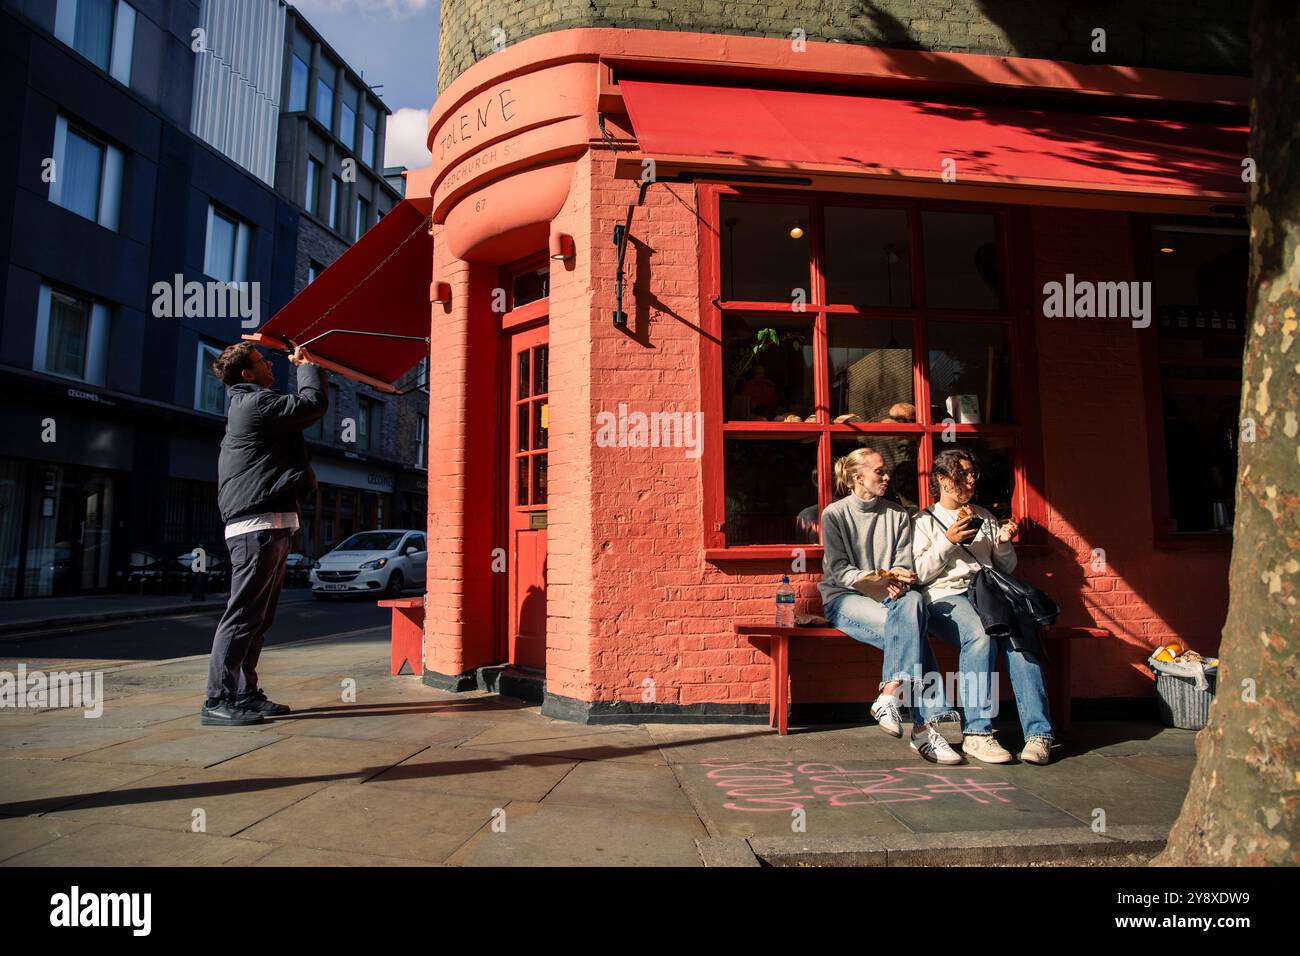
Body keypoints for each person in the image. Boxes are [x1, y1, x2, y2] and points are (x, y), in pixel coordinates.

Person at [201, 343, 329, 726]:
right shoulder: (254, 405)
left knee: (258, 619)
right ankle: (216, 700)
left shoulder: (255, 403)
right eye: (261, 362)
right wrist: (308, 366)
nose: (269, 364)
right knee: (242, 616)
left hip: (270, 523)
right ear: (246, 374)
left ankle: (245, 693)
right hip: (255, 527)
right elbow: (312, 405)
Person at [912, 448, 1054, 765]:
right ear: (941, 479)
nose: (970, 481)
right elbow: (920, 574)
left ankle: (1039, 735)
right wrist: (948, 540)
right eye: (961, 474)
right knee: (982, 635)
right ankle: (977, 733)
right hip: (945, 598)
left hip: (988, 595)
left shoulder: (984, 516)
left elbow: (1005, 569)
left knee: (1021, 642)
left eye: (973, 474)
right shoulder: (923, 521)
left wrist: (1003, 542)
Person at [819, 447, 961, 764]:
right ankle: (926, 727)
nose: (887, 477)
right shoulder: (835, 515)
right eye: (880, 472)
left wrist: (898, 575)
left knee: (911, 603)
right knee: (913, 631)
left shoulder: (897, 514)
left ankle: (889, 695)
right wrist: (881, 578)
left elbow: (904, 564)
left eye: (886, 472)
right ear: (857, 477)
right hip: (845, 599)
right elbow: (840, 571)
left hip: (891, 597)